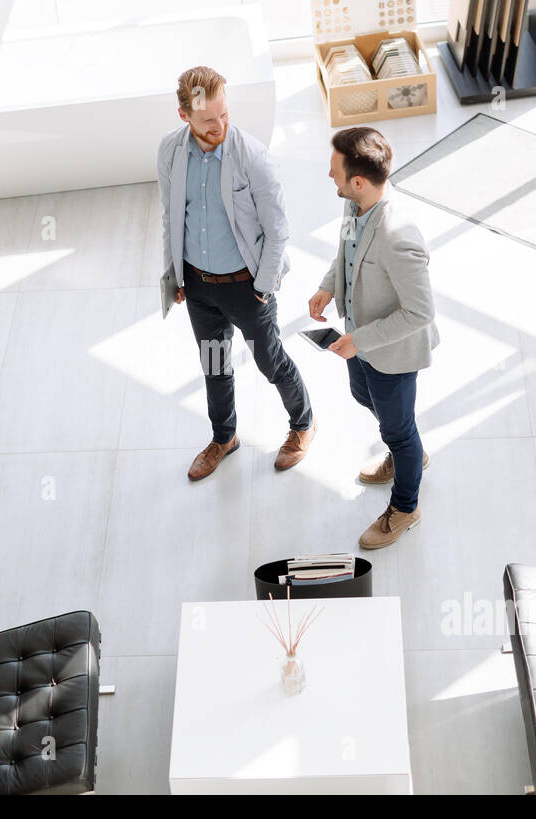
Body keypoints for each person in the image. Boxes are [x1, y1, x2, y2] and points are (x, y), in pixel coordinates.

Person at [158, 66, 315, 481]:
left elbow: (278, 230)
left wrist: (262, 288)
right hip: (199, 288)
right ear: (183, 115)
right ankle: (224, 437)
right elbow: (171, 217)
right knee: (214, 364)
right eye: (208, 120)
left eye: (224, 114)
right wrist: (174, 275)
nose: (220, 125)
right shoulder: (170, 153)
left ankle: (303, 424)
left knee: (270, 362)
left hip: (248, 289)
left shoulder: (253, 156)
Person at [309, 127, 439, 549]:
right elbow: (345, 249)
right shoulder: (357, 203)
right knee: (364, 397)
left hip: (391, 353)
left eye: (335, 172)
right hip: (359, 341)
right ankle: (409, 455)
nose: (330, 177)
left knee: (399, 429)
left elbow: (420, 312)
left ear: (358, 181)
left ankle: (406, 505)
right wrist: (329, 285)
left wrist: (360, 341)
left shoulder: (399, 236)